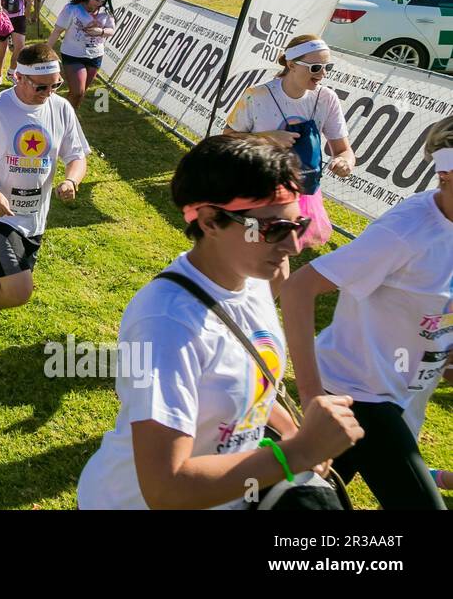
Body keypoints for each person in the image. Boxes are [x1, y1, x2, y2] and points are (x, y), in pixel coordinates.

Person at [77, 135, 362, 509]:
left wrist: (292, 430)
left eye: (298, 225)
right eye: (274, 229)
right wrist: (298, 451)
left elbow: (246, 380)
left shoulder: (254, 281)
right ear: (211, 221)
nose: (293, 246)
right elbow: (165, 488)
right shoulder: (166, 324)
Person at [279, 117, 453, 509]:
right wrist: (311, 398)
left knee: (304, 498)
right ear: (446, 172)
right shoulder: (406, 231)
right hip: (357, 396)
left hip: (400, 397)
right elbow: (297, 289)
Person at [0, 44, 87, 361]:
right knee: (19, 289)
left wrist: (72, 180)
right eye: (42, 86)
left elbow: (76, 155)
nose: (49, 92)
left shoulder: (61, 109)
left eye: (56, 85)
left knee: (9, 287)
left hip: (34, 216)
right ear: (18, 77)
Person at [225, 35, 355, 251]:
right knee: (250, 245)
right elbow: (226, 138)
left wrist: (344, 162)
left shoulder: (327, 98)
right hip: (255, 187)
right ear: (291, 65)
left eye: (327, 67)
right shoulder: (257, 95)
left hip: (300, 192)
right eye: (315, 68)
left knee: (283, 249)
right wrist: (265, 137)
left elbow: (344, 150)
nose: (322, 74)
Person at [48, 0, 116, 110]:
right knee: (78, 91)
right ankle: (63, 117)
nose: (99, 4)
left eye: (102, 2)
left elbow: (111, 30)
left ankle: (68, 117)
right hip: (73, 54)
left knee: (79, 93)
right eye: (96, 0)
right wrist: (44, 52)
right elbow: (57, 31)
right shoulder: (72, 9)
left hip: (95, 56)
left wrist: (100, 32)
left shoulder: (105, 11)